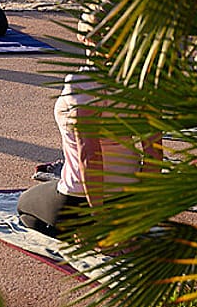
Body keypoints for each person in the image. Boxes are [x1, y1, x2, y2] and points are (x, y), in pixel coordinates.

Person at [16, 68, 162, 240]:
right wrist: (139, 209)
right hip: (128, 194)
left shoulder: (83, 82)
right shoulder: (144, 80)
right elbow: (154, 155)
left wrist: (99, 218)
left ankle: (88, 232)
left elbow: (91, 157)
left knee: (25, 205)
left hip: (81, 197)